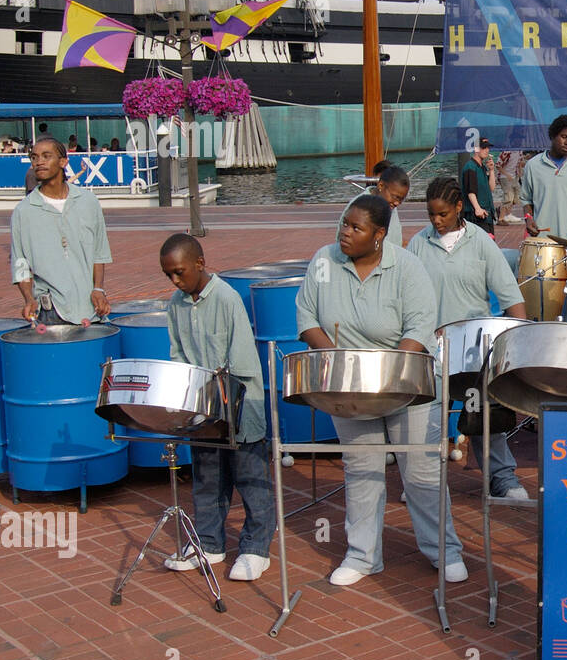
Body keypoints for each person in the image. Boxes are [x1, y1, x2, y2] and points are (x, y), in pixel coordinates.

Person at [296, 194, 465, 586]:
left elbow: (420, 326)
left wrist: (386, 376)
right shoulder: (325, 261)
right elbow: (306, 315)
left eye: (355, 227)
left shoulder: (406, 267)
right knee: (362, 470)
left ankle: (444, 549)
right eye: (343, 223)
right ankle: (362, 556)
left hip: (407, 385)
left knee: (421, 472)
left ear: (379, 235)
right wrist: (340, 363)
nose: (345, 233)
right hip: (349, 387)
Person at [159, 234, 275, 581]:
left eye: (179, 272)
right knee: (207, 480)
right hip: (203, 411)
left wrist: (218, 400)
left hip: (239, 408)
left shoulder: (227, 299)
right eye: (168, 275)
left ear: (200, 263)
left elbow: (242, 364)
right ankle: (209, 544)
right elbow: (178, 356)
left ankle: (256, 549)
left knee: (250, 479)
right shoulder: (175, 305)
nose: (175, 281)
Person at [409, 176, 529, 499]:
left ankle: (502, 478)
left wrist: (519, 346)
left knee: (484, 414)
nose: (436, 221)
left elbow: (511, 298)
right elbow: (404, 298)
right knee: (428, 419)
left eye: (443, 214)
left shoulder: (480, 242)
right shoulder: (418, 244)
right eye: (431, 214)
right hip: (431, 349)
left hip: (474, 348)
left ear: (459, 207)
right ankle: (424, 483)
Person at [10, 137, 112, 325]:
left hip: (91, 309)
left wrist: (98, 289)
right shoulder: (23, 211)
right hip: (50, 312)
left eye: (46, 156)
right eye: (34, 157)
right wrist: (28, 299)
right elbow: (21, 264)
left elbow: (99, 252)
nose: (38, 162)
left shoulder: (88, 201)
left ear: (63, 162)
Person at [521, 115, 567, 240]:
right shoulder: (533, 165)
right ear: (553, 135)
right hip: (544, 239)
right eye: (564, 137)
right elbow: (526, 199)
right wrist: (529, 219)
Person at [339, 163, 410, 247]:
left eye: (401, 199)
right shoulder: (359, 205)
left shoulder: (389, 204)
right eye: (395, 197)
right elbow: (344, 239)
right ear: (381, 185)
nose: (397, 203)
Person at [461, 138, 498, 234]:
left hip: (486, 214)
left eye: (488, 148)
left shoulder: (482, 167)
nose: (487, 150)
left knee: (489, 243)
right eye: (483, 147)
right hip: (477, 216)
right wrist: (477, 209)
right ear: (476, 149)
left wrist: (491, 170)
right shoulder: (470, 167)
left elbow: (491, 188)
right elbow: (470, 191)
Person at [496, 149, 522, 223]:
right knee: (508, 198)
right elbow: (498, 165)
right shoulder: (506, 152)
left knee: (516, 197)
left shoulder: (520, 151)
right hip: (504, 177)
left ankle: (508, 214)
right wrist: (507, 175)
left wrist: (519, 173)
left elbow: (519, 162)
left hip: (515, 176)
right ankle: (501, 218)